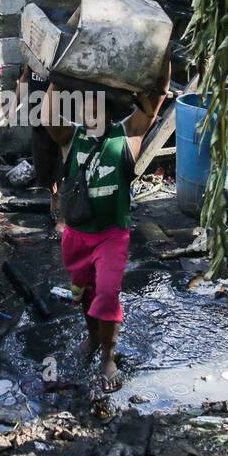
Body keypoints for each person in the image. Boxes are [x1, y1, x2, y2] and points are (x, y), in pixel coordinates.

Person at [42, 74, 168, 392]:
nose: (91, 113)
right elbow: (47, 116)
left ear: (110, 112)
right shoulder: (72, 138)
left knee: (108, 294)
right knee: (83, 294)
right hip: (77, 235)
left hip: (112, 235)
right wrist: (56, 74)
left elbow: (154, 105)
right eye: (86, 107)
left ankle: (109, 357)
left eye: (97, 108)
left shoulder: (124, 137)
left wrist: (163, 59)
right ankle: (93, 337)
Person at [19, 61, 63, 232]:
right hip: (38, 123)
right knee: (43, 168)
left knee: (63, 167)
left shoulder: (61, 58)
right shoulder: (32, 58)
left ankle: (62, 212)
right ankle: (54, 196)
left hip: (63, 121)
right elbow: (24, 79)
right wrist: (13, 104)